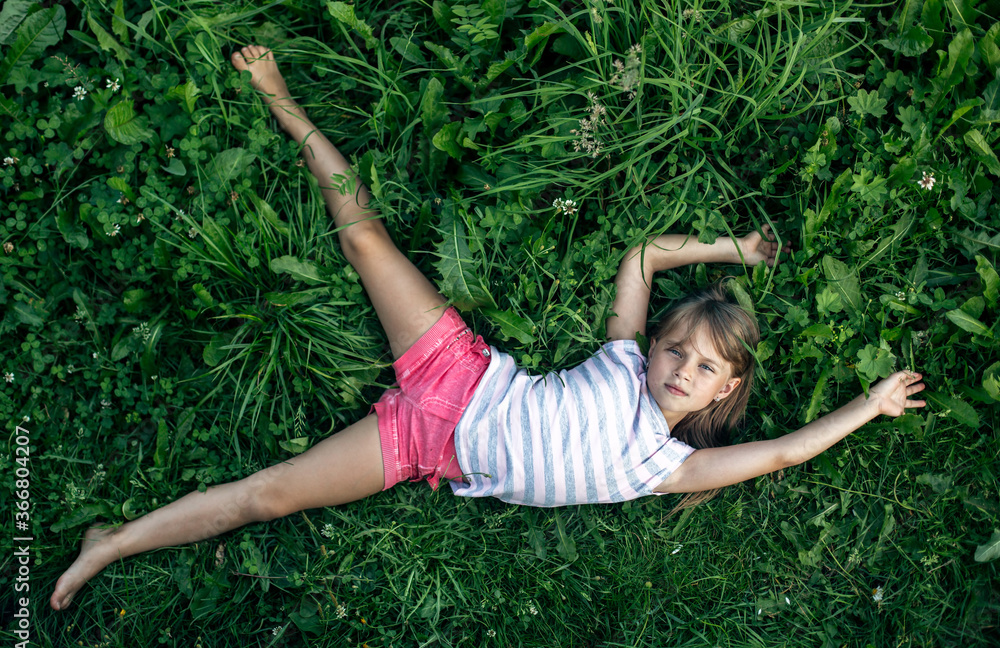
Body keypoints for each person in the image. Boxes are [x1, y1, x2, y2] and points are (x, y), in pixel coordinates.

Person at [49, 46, 926, 611]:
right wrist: (733, 247)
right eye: (677, 350)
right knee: (362, 236)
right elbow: (640, 258)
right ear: (653, 346)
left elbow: (780, 453)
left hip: (427, 443)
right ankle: (284, 103)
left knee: (268, 493)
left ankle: (111, 542)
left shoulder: (673, 466)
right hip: (459, 367)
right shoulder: (624, 361)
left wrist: (870, 403)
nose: (682, 369)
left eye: (704, 368)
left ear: (727, 389)